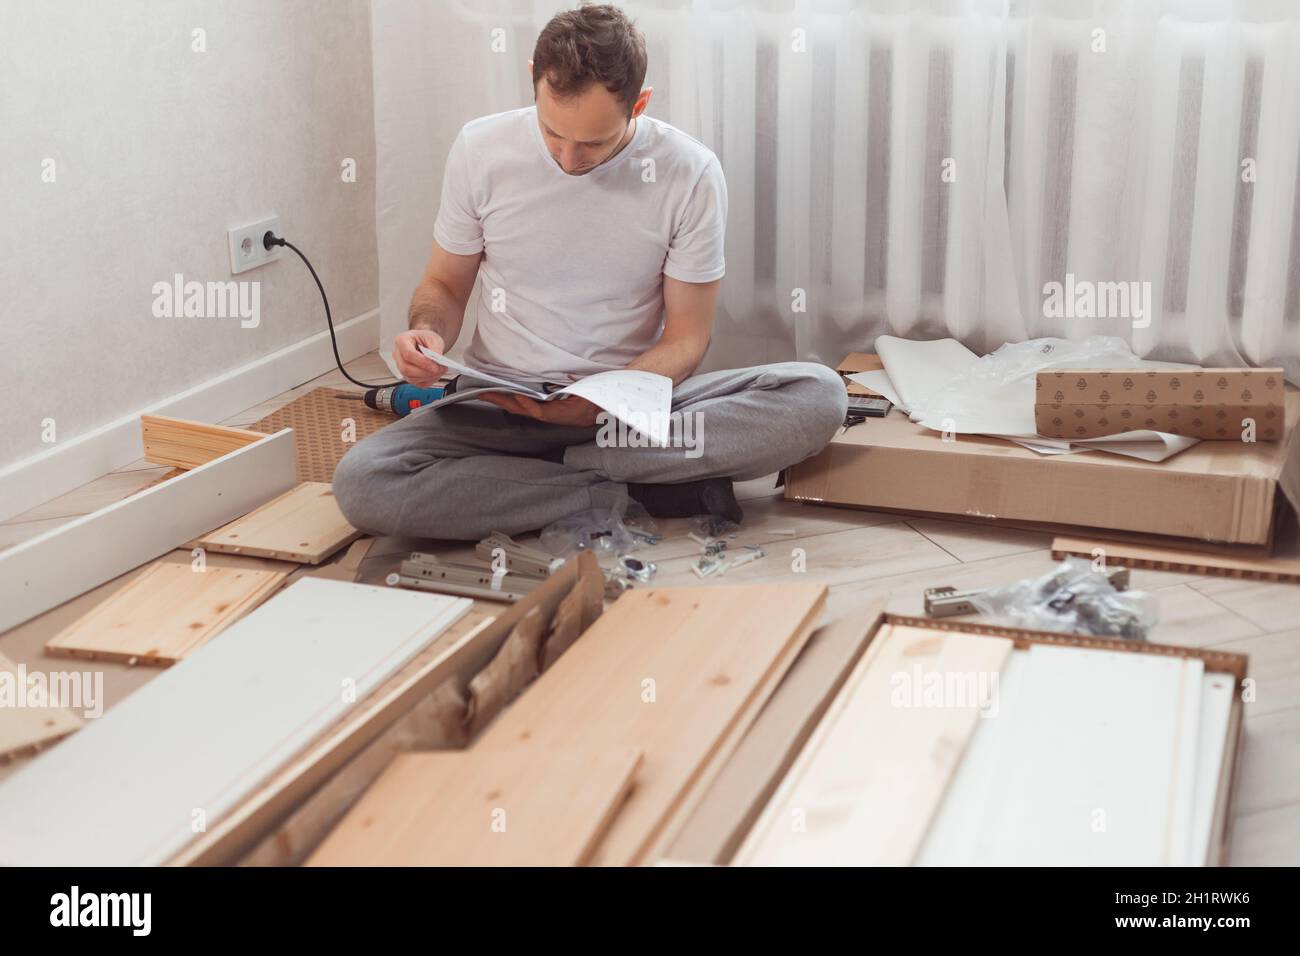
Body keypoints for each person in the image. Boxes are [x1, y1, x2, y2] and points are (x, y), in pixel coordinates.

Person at [333, 3, 846, 541]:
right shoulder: (481, 149)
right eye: (553, 132)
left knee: (816, 396)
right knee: (364, 482)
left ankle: (547, 483)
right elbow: (444, 285)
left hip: (625, 416)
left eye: (593, 142)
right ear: (534, 78)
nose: (568, 159)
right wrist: (429, 332)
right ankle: (634, 489)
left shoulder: (689, 173)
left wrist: (606, 397)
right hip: (499, 408)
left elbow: (687, 338)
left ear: (639, 105)